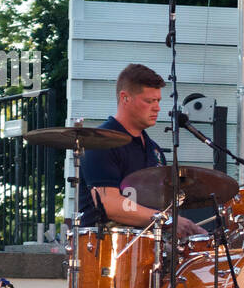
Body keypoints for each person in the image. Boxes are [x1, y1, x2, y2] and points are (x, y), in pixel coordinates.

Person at [79, 63, 204, 237]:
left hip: (146, 250)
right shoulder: (100, 142)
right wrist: (166, 220)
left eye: (158, 101)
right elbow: (110, 204)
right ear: (125, 98)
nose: (157, 107)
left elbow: (157, 206)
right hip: (105, 249)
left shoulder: (155, 151)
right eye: (149, 101)